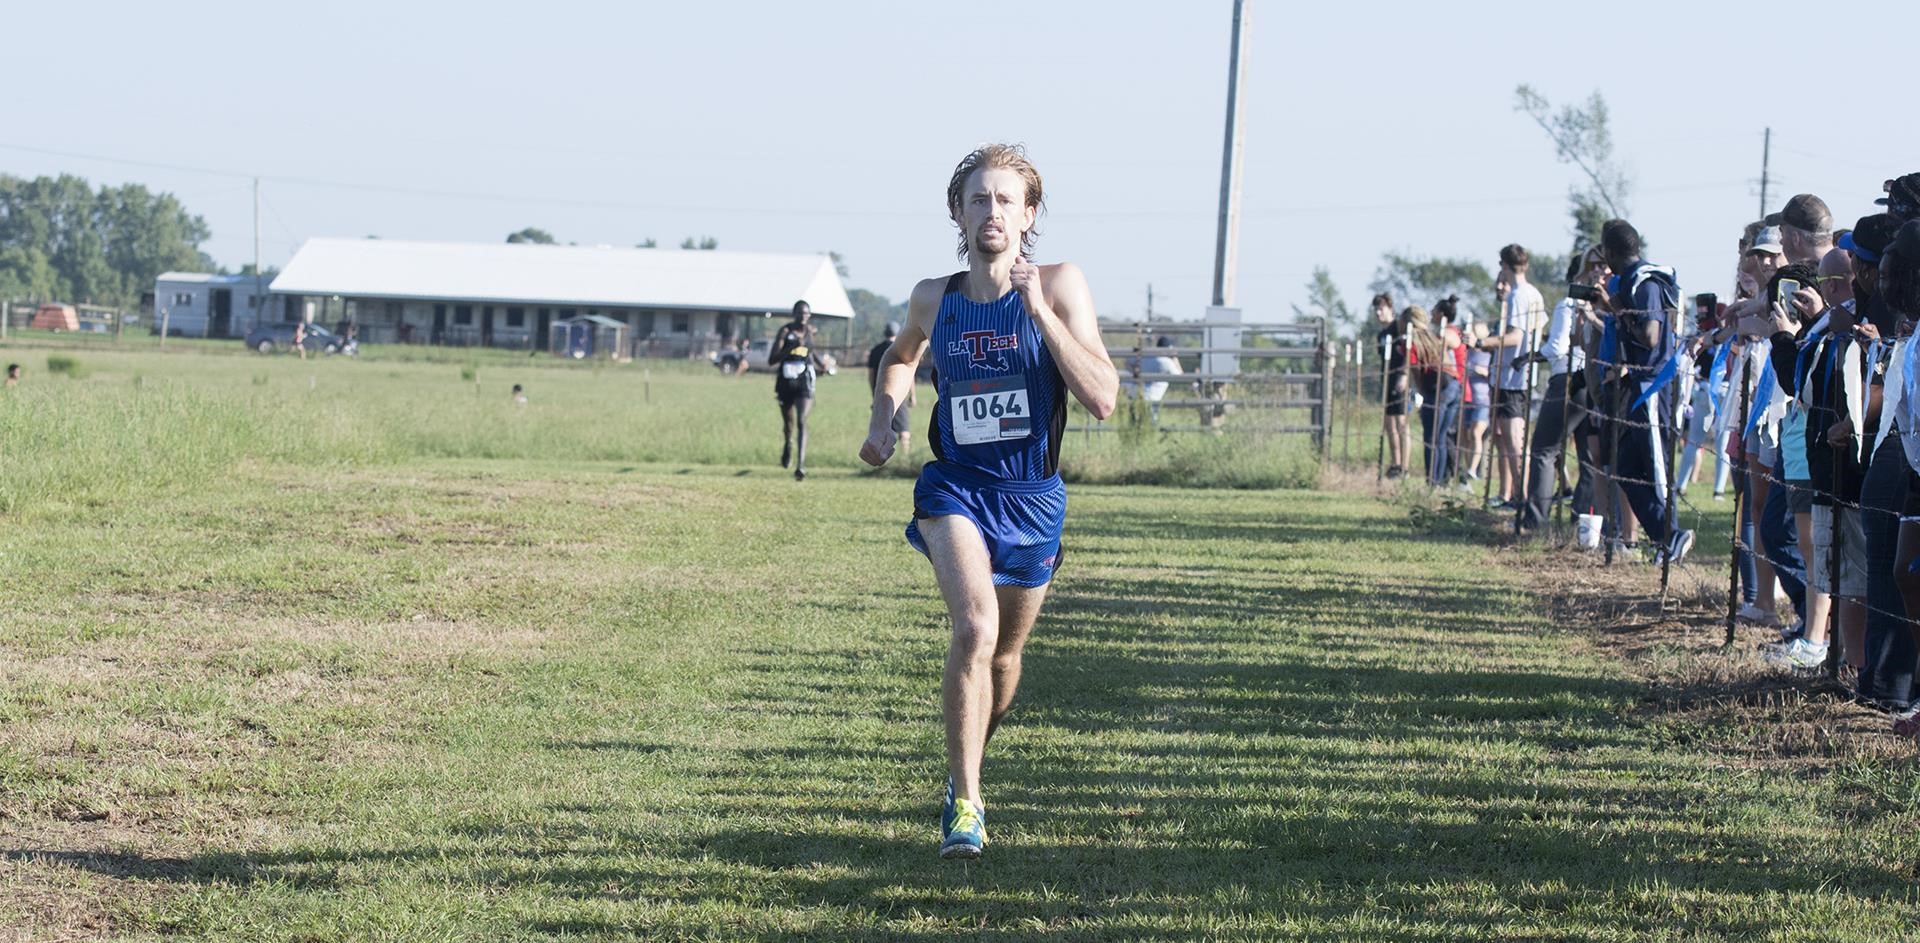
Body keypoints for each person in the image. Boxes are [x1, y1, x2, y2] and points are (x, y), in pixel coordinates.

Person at [859, 144, 1117, 859]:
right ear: (958, 212)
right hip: (956, 488)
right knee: (974, 627)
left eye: (1007, 199)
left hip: (1033, 498)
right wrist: (885, 419)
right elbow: (902, 355)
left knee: (1004, 659)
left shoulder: (1061, 285)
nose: (992, 211)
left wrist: (1040, 313)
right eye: (979, 198)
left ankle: (965, 764)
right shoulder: (933, 298)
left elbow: (1101, 395)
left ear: (1029, 214)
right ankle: (967, 801)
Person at [1595, 219, 1695, 563]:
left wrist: (1620, 311)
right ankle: (1667, 536)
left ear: (1609, 252)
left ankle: (1672, 538)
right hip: (1639, 386)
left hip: (1655, 384)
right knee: (1625, 465)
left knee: (1656, 470)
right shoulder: (1631, 282)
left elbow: (1650, 336)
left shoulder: (1646, 283)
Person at [1520, 251, 1603, 532]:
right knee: (1588, 457)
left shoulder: (1568, 304)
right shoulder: (1607, 306)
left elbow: (1556, 348)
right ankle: (1582, 522)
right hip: (1594, 381)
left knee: (1544, 450)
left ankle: (1534, 521)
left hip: (1567, 379)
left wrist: (1532, 355)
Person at [1476, 244, 1547, 508]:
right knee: (1513, 441)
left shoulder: (1518, 296)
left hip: (1512, 377)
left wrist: (1484, 342)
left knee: (1513, 442)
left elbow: (1516, 336)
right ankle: (1521, 495)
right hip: (1524, 375)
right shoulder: (1535, 294)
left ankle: (1523, 498)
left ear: (1505, 266)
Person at [772, 300, 826, 481]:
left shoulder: (810, 332)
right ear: (794, 314)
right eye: (801, 313)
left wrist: (821, 365)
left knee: (802, 420)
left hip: (804, 379)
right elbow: (772, 359)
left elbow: (811, 352)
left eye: (807, 314)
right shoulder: (785, 332)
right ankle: (788, 443)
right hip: (786, 380)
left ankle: (800, 465)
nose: (804, 317)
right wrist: (790, 348)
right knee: (789, 424)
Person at [1374, 294, 1411, 478]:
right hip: (1387, 380)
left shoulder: (1399, 327)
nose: (1378, 312)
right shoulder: (1381, 334)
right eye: (1376, 309)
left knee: (1402, 424)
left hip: (1400, 380)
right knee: (1390, 425)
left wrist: (1404, 375)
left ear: (1390, 308)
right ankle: (1395, 464)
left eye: (1381, 308)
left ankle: (1405, 466)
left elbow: (1408, 352)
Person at [867, 321, 915, 461]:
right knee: (904, 432)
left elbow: (871, 375)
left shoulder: (876, 350)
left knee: (880, 431)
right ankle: (905, 460)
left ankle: (881, 461)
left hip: (881, 394)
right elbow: (909, 374)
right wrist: (913, 395)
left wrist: (875, 395)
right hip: (899, 394)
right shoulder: (901, 348)